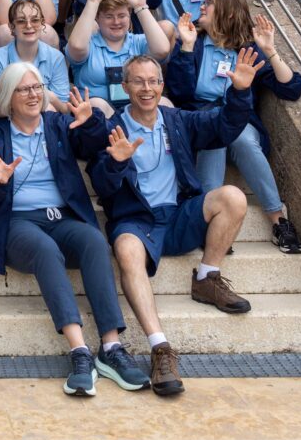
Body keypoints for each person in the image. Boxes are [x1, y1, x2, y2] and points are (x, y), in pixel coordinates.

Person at [88, 51, 262, 397]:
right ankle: (160, 347)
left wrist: (240, 92)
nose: (146, 88)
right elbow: (102, 186)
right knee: (124, 247)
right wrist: (116, 163)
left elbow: (223, 128)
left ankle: (207, 277)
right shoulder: (112, 129)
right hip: (137, 221)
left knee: (232, 197)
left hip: (178, 215)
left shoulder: (177, 119)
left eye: (153, 81)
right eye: (138, 81)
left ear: (162, 85)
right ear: (124, 86)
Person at [0, 68, 151, 396]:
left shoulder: (56, 125)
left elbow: (89, 144)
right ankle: (79, 350)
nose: (33, 94)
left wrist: (91, 120)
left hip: (62, 217)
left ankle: (110, 348)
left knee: (95, 241)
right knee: (44, 249)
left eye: (37, 87)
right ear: (8, 98)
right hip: (17, 223)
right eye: (23, 89)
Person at [166, 0, 301, 253]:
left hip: (240, 121)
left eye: (208, 3)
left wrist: (270, 50)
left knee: (241, 138)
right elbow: (180, 93)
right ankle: (211, 216)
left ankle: (278, 221)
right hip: (200, 119)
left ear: (229, 13)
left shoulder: (247, 49)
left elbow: (293, 89)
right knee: (215, 130)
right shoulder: (193, 42)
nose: (201, 7)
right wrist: (185, 48)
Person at [66, 0, 171, 115]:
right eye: (109, 16)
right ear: (97, 17)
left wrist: (140, 7)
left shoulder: (139, 42)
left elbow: (162, 50)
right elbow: (77, 47)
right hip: (99, 119)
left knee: (165, 103)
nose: (116, 22)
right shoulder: (87, 43)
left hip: (138, 111)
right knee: (97, 105)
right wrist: (92, 3)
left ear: (129, 16)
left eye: (122, 16)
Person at [0, 0, 71, 110]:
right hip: (9, 119)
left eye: (35, 20)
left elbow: (64, 109)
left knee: (49, 107)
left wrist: (51, 97)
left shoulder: (56, 57)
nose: (29, 26)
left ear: (42, 23)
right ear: (11, 27)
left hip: (46, 120)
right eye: (21, 21)